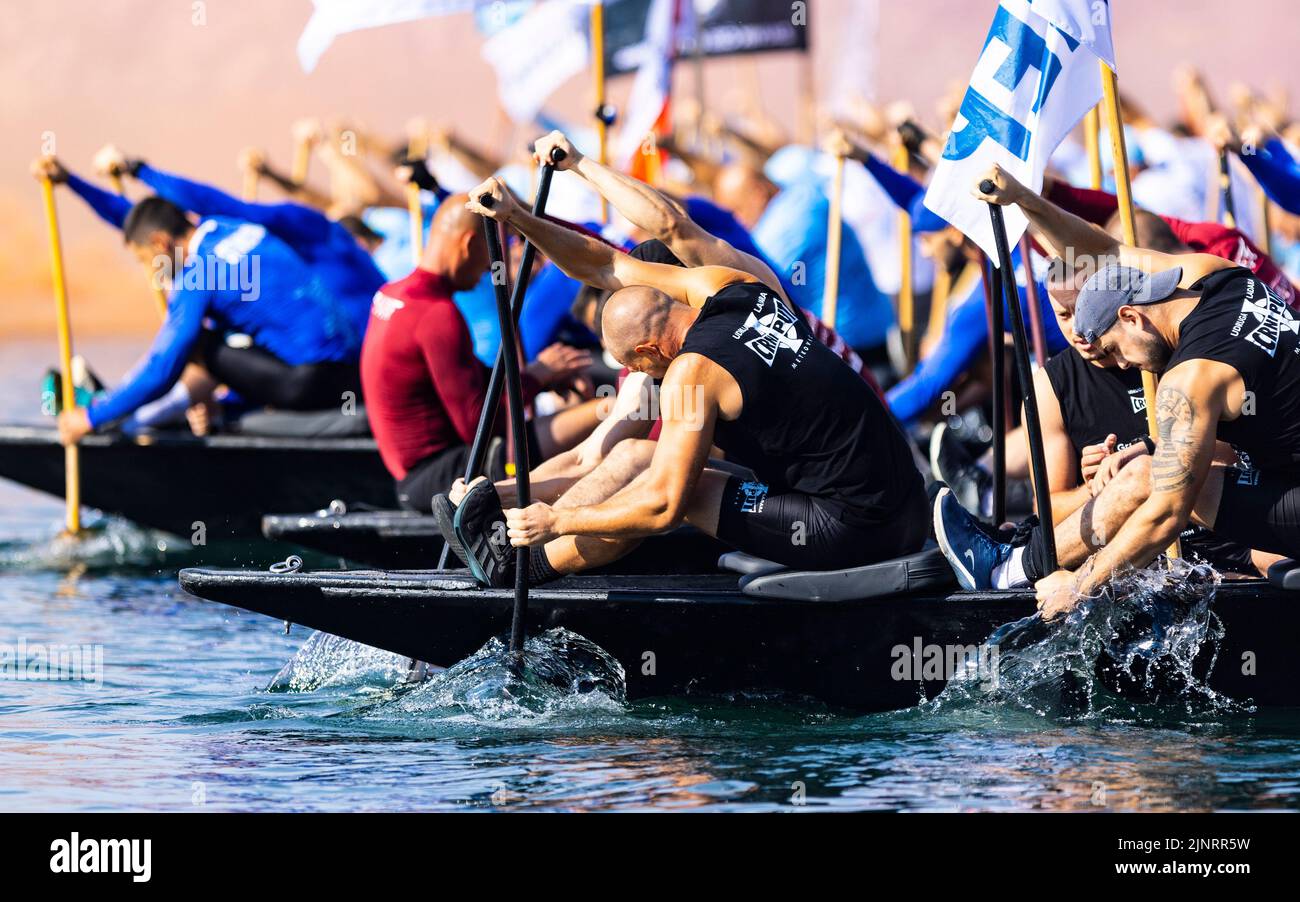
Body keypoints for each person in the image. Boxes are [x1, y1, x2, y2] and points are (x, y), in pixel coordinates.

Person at [443, 168, 928, 589]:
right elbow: (606, 263)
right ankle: (501, 526)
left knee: (679, 486)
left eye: (634, 366)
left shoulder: (692, 376)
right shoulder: (731, 286)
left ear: (650, 350)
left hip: (857, 526)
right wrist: (519, 217)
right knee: (635, 453)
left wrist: (557, 520)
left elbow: (663, 508)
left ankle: (519, 567)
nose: (634, 377)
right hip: (899, 494)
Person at [934, 165, 1300, 618]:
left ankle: (1005, 572)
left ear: (1130, 316)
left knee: (1149, 477)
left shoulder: (1188, 381)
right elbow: (1103, 248)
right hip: (1285, 478)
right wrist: (1024, 199)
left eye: (1114, 351)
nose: (1123, 364)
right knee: (1151, 462)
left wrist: (1082, 585)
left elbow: (1166, 512)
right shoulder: (1217, 276)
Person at [52, 191, 361, 445]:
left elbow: (163, 367)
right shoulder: (233, 228)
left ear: (161, 243)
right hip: (349, 373)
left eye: (146, 260)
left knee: (195, 342)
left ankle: (131, 419)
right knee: (222, 335)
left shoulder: (198, 273)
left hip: (309, 384)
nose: (151, 272)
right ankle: (183, 408)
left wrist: (91, 418)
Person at [359, 195, 593, 512]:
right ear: (469, 244)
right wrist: (537, 378)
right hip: (440, 477)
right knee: (602, 411)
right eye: (490, 253)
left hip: (411, 474)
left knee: (578, 411)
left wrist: (539, 378)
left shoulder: (390, 293)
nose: (489, 268)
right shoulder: (436, 315)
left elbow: (474, 382)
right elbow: (480, 426)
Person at [93, 145, 387, 345]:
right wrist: (71, 180)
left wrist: (139, 170)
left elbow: (216, 204)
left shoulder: (303, 224)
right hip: (349, 342)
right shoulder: (307, 231)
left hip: (358, 346)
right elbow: (140, 224)